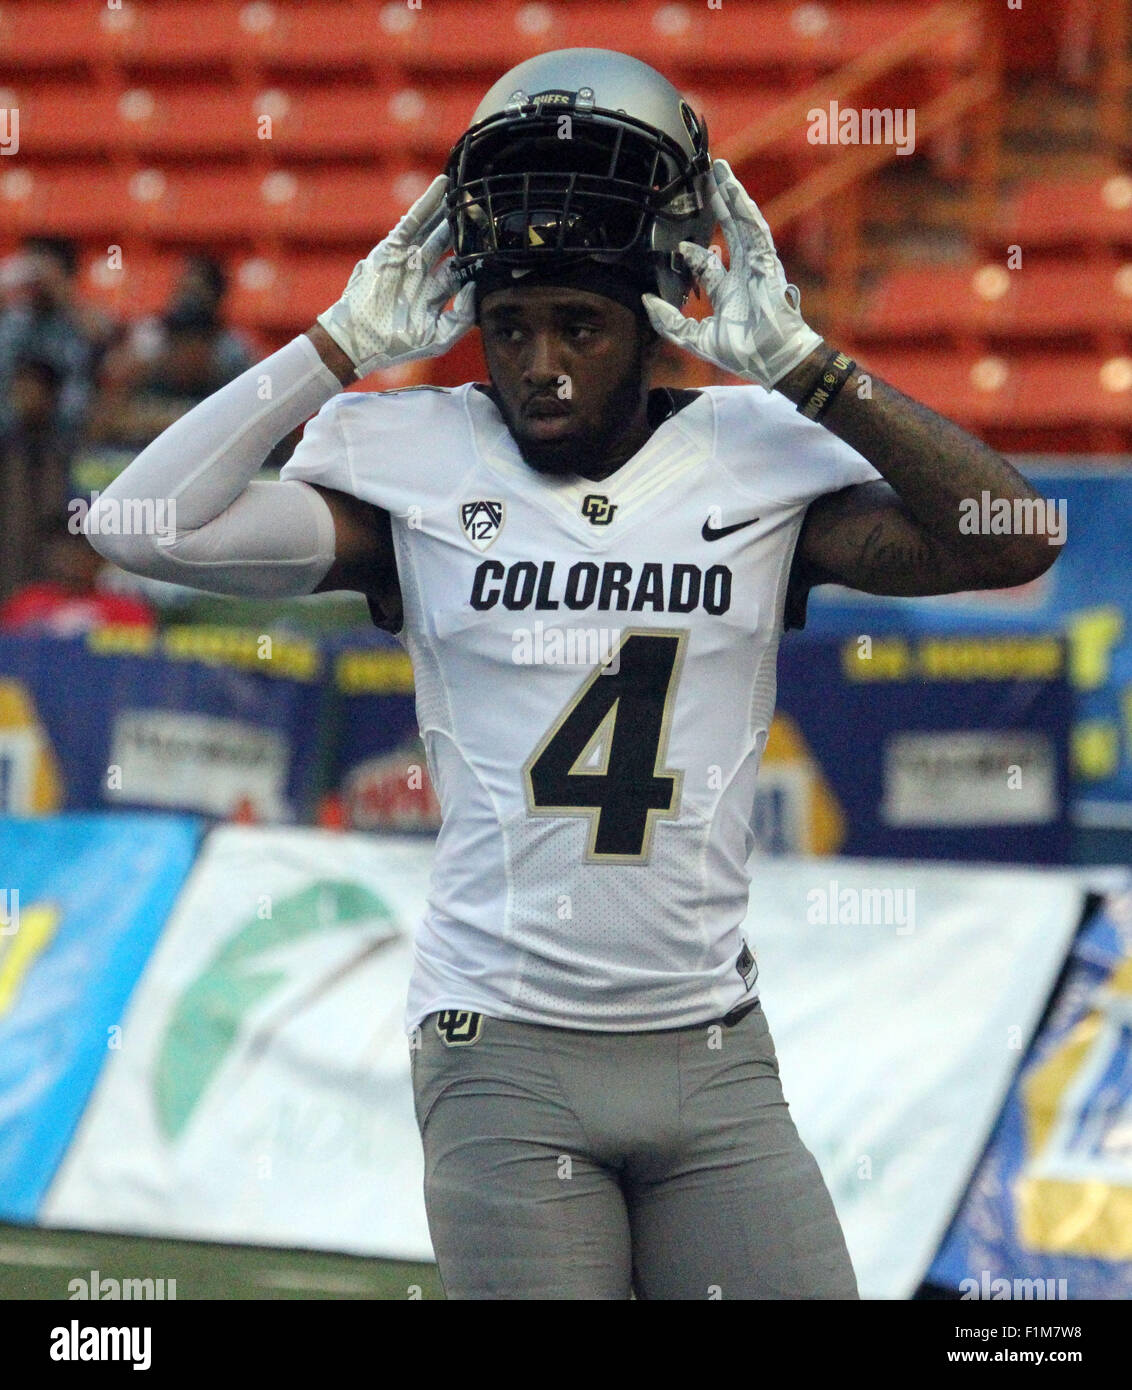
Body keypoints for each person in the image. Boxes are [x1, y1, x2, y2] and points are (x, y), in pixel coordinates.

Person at [83, 49, 1060, 1299]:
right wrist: (333, 346)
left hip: (711, 1053)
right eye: (509, 327)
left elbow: (1014, 536)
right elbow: (135, 525)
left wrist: (809, 368)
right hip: (503, 1049)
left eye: (580, 325)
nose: (540, 361)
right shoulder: (419, 466)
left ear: (647, 329)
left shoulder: (753, 458)